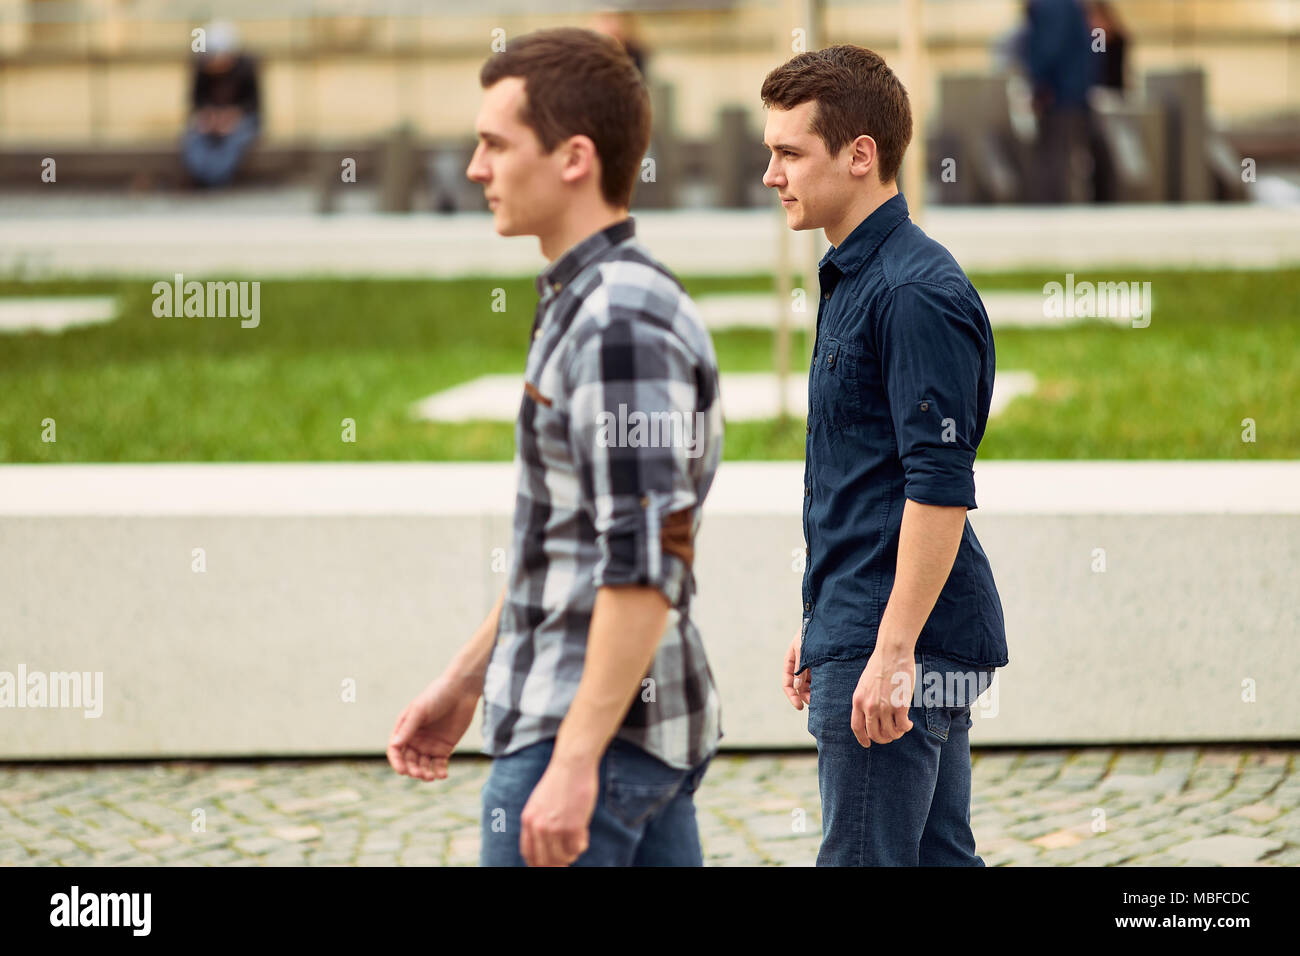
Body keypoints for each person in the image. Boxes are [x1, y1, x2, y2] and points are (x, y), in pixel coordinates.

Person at [386, 27, 723, 868]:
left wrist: (572, 764)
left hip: (588, 745)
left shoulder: (617, 321)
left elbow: (645, 560)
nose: (475, 168)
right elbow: (569, 546)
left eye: (496, 144)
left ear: (574, 158)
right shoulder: (599, 302)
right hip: (620, 738)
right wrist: (469, 679)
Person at [763, 45, 1008, 866]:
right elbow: (862, 476)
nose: (773, 175)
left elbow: (939, 485)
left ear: (859, 154)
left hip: (897, 645)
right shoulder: (861, 278)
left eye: (790, 153)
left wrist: (891, 648)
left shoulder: (909, 292)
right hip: (869, 627)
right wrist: (823, 617)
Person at [182, 21, 261, 188]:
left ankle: (216, 180)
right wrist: (208, 117)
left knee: (234, 140)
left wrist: (233, 116)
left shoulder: (246, 67)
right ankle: (201, 175)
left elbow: (253, 105)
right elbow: (196, 101)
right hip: (210, 120)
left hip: (241, 121)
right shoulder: (200, 68)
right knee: (194, 137)